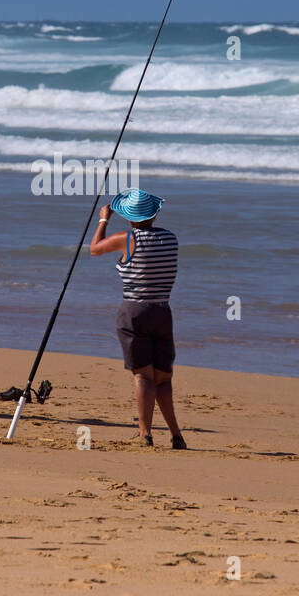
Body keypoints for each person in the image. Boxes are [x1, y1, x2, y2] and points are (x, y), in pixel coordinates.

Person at [89, 188, 186, 449]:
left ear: (130, 216)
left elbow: (95, 249)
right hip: (163, 311)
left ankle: (145, 433)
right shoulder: (171, 238)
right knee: (163, 377)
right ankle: (176, 434)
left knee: (143, 376)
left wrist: (103, 220)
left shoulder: (128, 238)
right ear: (154, 215)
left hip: (134, 311)